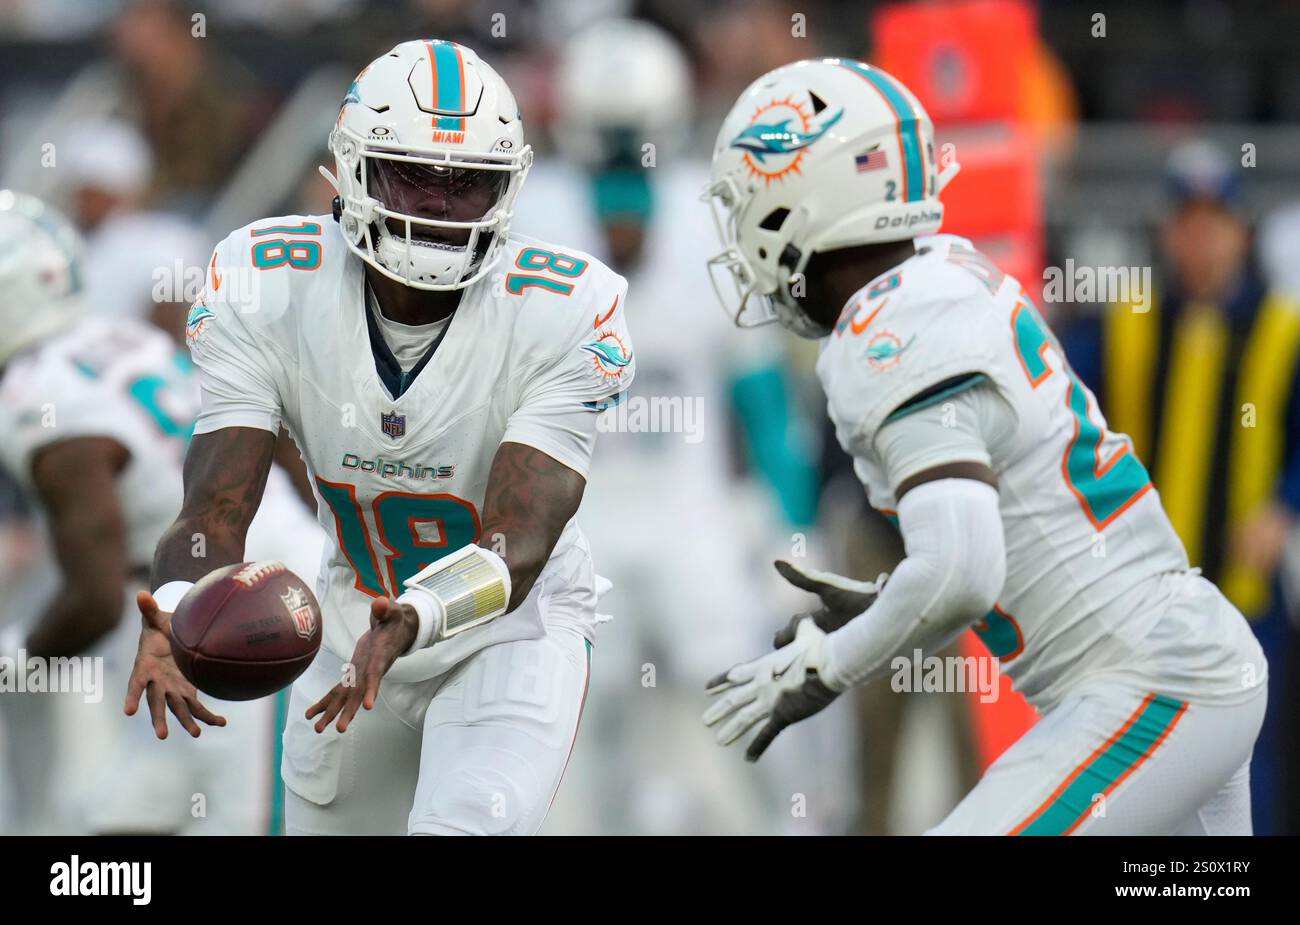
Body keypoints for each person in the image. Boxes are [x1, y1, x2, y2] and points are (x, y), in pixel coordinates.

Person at [700, 59, 1267, 835]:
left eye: (751, 203)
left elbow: (961, 572)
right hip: (1173, 661)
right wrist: (896, 603)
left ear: (809, 197)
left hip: (1153, 682)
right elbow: (991, 537)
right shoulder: (940, 271)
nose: (743, 238)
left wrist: (828, 666)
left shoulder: (890, 331)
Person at [124, 39, 635, 837]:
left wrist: (420, 614)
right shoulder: (267, 284)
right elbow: (214, 508)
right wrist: (184, 609)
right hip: (349, 620)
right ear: (352, 167)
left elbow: (521, 538)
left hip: (505, 631)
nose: (437, 203)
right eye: (414, 174)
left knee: (460, 826)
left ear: (508, 187)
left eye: (466, 184)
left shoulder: (565, 306)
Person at [0, 190, 321, 834]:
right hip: (204, 598)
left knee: (246, 822)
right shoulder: (119, 336)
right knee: (121, 816)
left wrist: (12, 658)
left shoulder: (38, 401)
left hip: (245, 606)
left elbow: (93, 600)